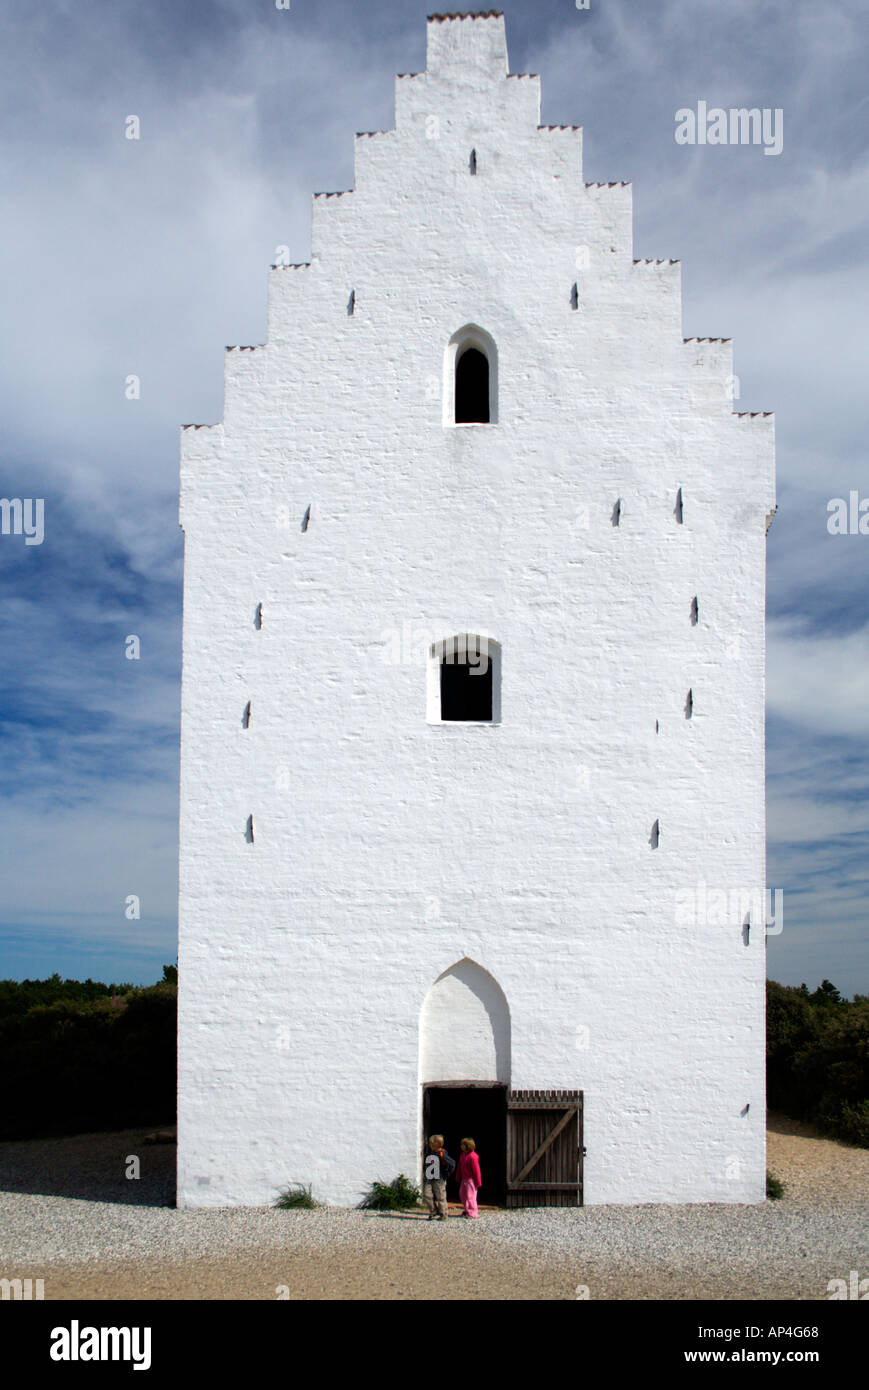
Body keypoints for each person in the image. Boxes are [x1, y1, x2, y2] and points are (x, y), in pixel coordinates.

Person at [423, 1133, 455, 1220]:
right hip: (430, 1178)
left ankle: (444, 1214)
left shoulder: (442, 1154)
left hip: (439, 1179)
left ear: (435, 1144)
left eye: (431, 1144)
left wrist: (446, 1174)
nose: (429, 1145)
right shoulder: (431, 1153)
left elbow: (452, 1164)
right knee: (427, 1194)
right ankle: (433, 1210)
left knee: (440, 1196)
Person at [456, 1138, 482, 1219]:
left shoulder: (473, 1157)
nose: (461, 1146)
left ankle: (473, 1212)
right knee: (462, 1194)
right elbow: (459, 1167)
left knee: (471, 1196)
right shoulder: (462, 1155)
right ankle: (467, 1210)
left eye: (462, 1145)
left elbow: (476, 1170)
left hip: (471, 1180)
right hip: (464, 1179)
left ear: (467, 1146)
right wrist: (458, 1177)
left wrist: (478, 1182)